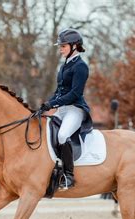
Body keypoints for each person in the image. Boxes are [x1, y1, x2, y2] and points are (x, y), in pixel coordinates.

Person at [40, 28, 93, 190]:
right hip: (62, 109)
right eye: (60, 46)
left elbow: (74, 93)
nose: (60, 49)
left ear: (74, 46)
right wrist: (47, 104)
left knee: (62, 135)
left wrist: (53, 104)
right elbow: (59, 90)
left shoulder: (81, 67)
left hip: (75, 109)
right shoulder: (64, 66)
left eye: (63, 46)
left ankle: (69, 175)